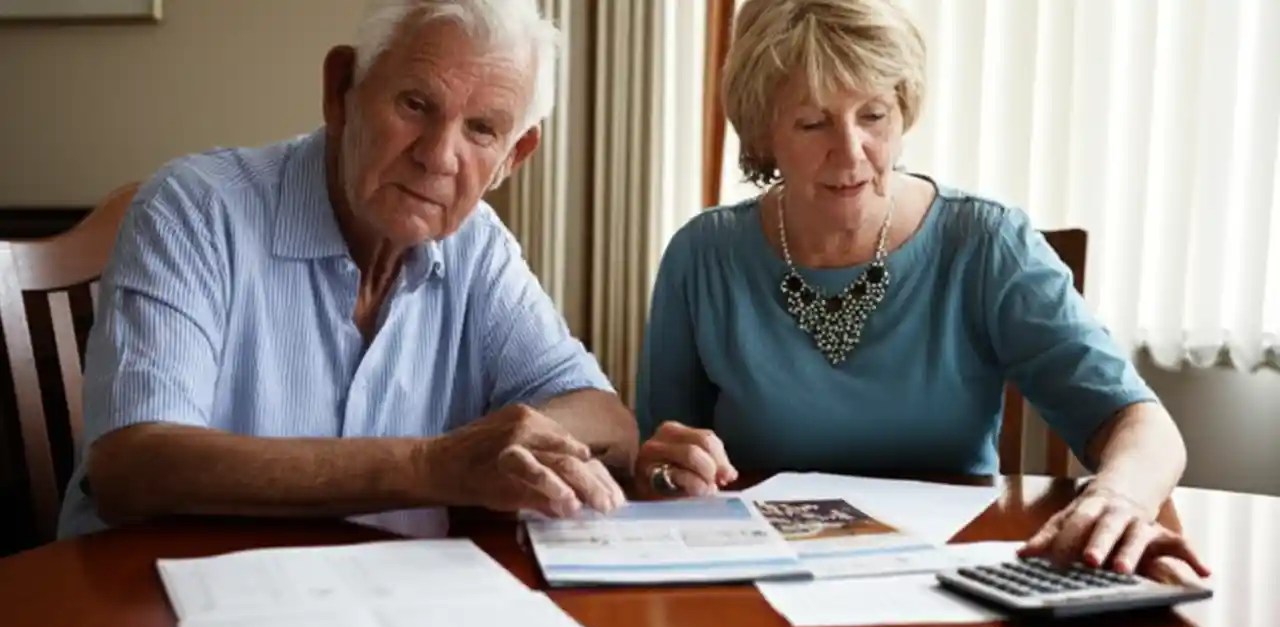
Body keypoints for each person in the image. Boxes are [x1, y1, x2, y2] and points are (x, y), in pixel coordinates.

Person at [635, 0, 1208, 578]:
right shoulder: (701, 257)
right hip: (756, 590)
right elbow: (659, 464)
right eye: (813, 123)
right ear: (764, 131)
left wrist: (1121, 498)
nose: (852, 151)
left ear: (903, 111)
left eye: (875, 116)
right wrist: (664, 470)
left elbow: (1141, 426)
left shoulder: (985, 243)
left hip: (951, 587)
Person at [58, 0, 637, 538]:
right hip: (153, 604)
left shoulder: (477, 245)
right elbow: (132, 465)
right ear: (341, 91)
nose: (438, 155)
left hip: (383, 614)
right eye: (414, 104)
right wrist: (431, 465)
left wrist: (515, 444)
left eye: (481, 130)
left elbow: (604, 417)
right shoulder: (194, 209)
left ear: (513, 157)